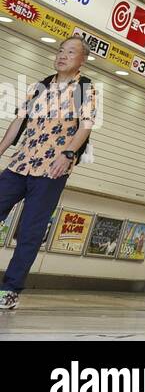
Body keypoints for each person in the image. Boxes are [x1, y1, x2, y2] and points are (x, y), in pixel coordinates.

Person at [0, 36, 98, 311]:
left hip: (51, 170)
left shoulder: (85, 89)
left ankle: (10, 290)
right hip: (20, 164)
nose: (63, 56)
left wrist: (67, 155)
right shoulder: (39, 86)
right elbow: (18, 122)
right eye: (60, 50)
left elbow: (85, 127)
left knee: (30, 231)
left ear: (82, 60)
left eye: (71, 52)